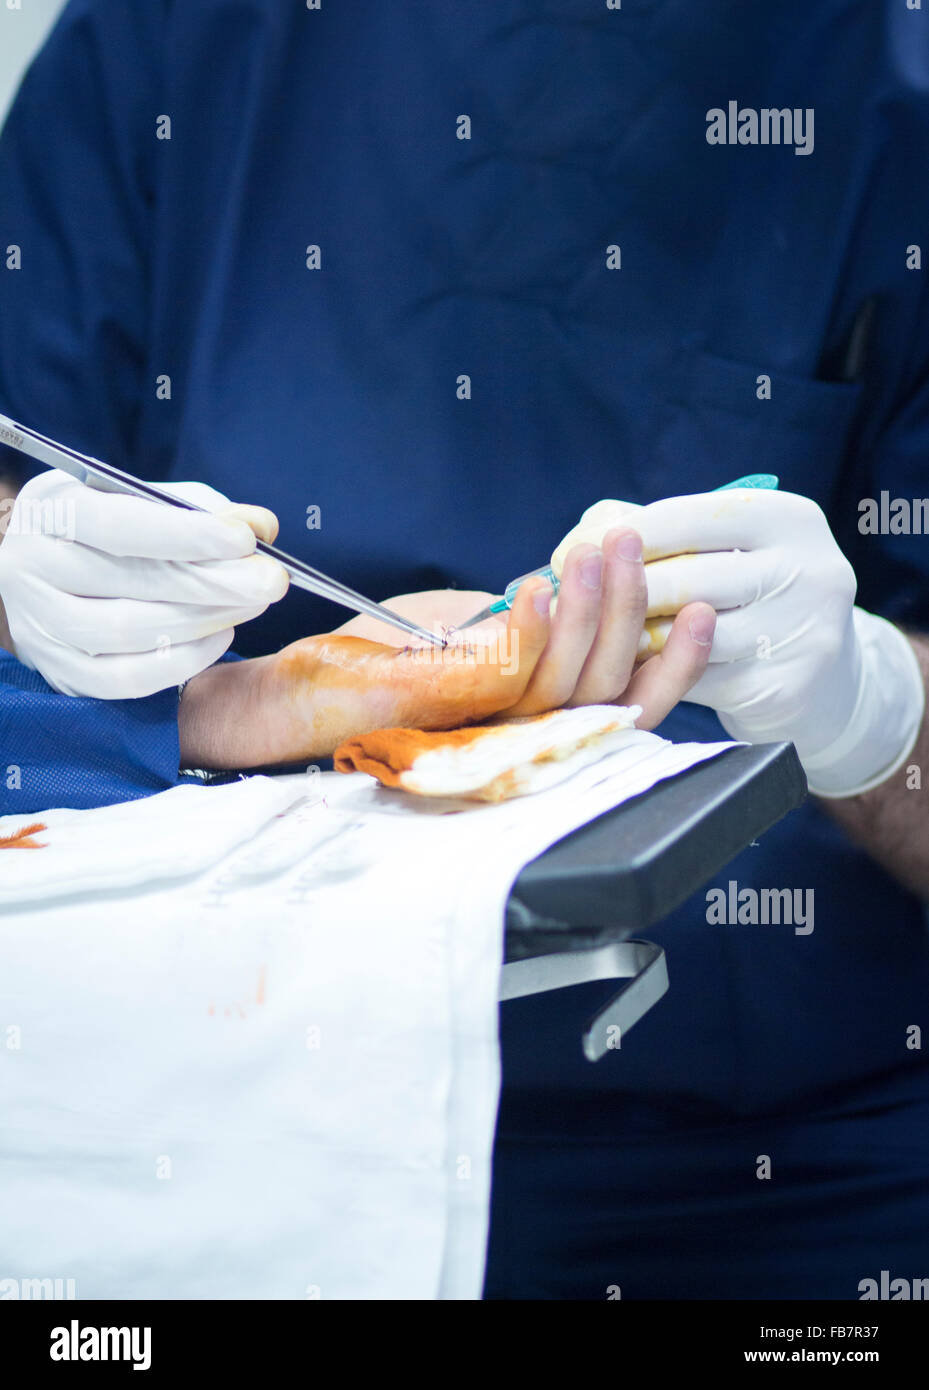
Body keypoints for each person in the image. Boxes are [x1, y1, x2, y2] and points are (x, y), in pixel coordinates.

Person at [0, 0, 927, 1297]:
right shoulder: (165, 38)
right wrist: (28, 573)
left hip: (772, 1165)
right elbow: (19, 453)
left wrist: (871, 703)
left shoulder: (888, 76)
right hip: (207, 1088)